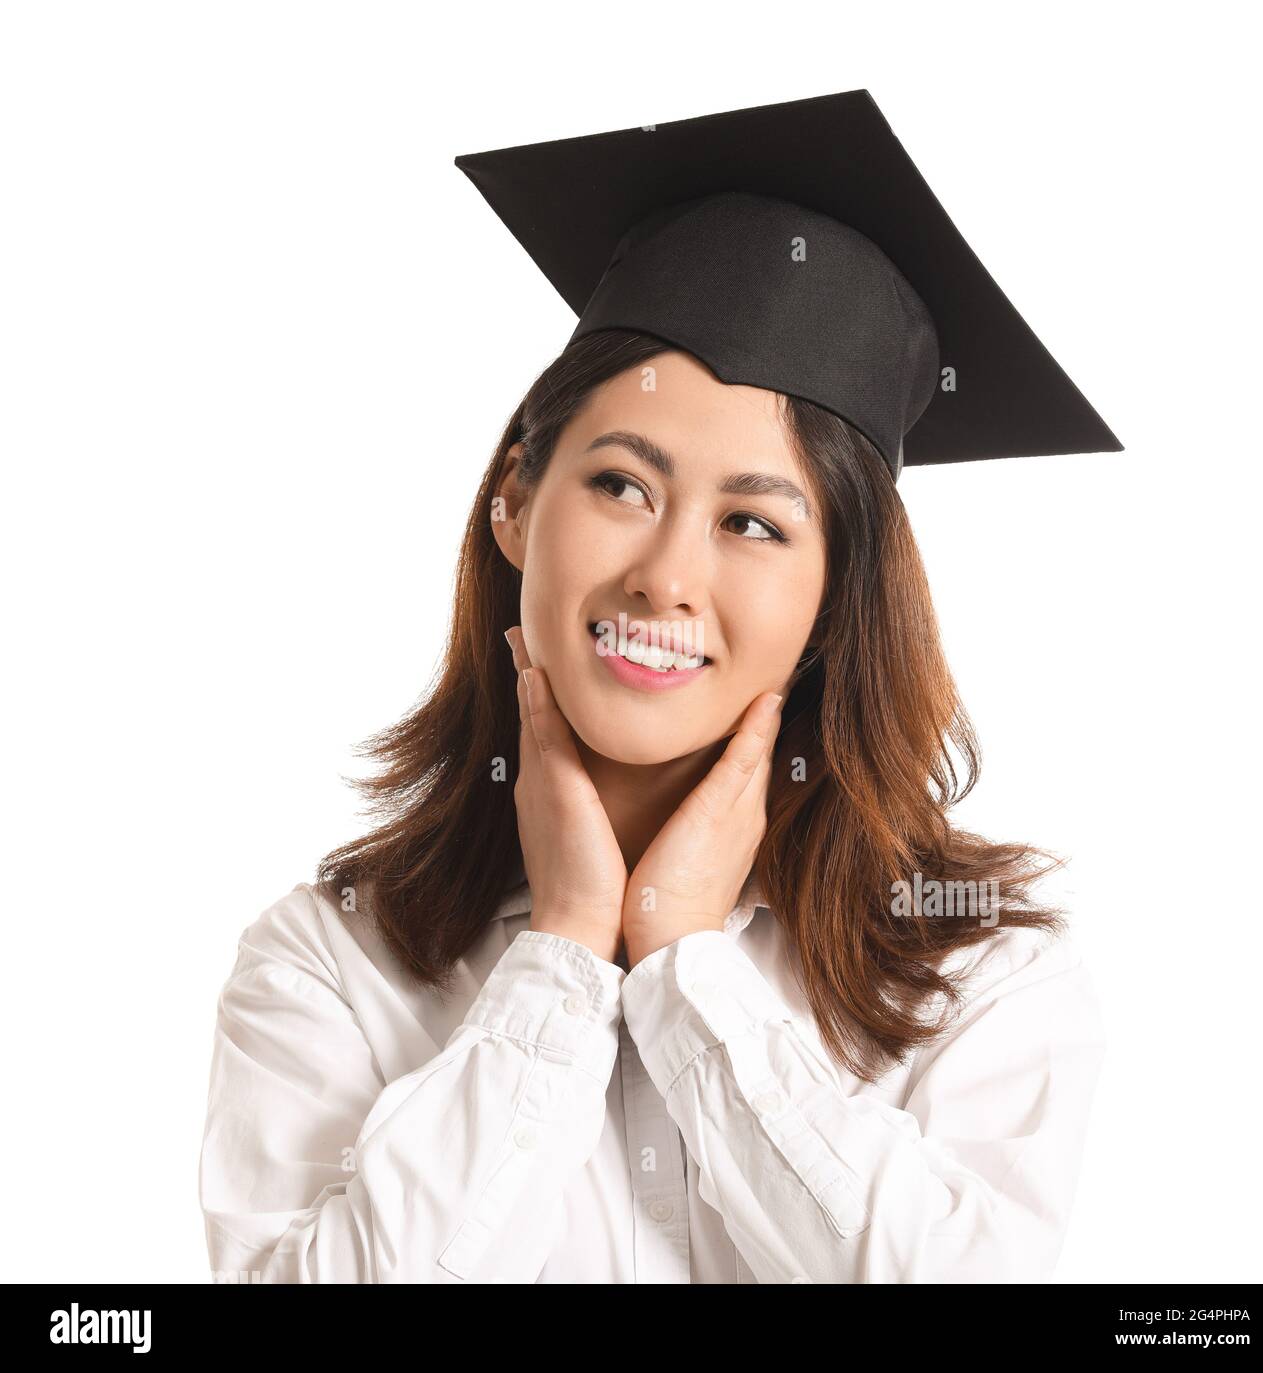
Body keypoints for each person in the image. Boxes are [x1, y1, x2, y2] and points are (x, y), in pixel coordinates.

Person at [199, 90, 1116, 1283]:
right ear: (517, 499)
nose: (666, 577)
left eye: (752, 520)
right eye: (623, 485)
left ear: (840, 600)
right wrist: (567, 956)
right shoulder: (332, 966)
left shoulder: (977, 973)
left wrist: (684, 965)